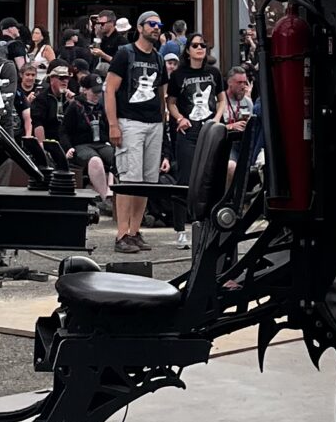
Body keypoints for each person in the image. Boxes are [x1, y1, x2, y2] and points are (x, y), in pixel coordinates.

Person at [105, 15, 168, 254]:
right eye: (151, 24)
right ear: (140, 27)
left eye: (159, 25)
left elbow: (162, 94)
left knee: (147, 181)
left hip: (154, 123)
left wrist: (163, 123)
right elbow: (110, 89)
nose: (156, 28)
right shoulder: (125, 54)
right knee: (129, 178)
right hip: (129, 121)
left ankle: (134, 231)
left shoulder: (159, 59)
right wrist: (113, 124)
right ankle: (121, 233)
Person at [30, 64, 112, 209]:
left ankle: (110, 195)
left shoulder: (75, 100)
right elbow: (39, 123)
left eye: (67, 78)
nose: (65, 81)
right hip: (57, 140)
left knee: (116, 156)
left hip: (89, 141)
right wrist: (42, 145)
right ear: (51, 79)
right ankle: (104, 198)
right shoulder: (43, 99)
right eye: (61, 78)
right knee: (94, 160)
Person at [168, 33, 223, 247]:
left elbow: (221, 99)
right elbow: (171, 102)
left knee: (211, 178)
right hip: (188, 131)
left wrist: (217, 120)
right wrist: (179, 118)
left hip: (210, 129)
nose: (200, 48)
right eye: (195, 45)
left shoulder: (214, 73)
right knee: (185, 179)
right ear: (188, 50)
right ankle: (181, 229)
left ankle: (209, 224)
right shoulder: (178, 75)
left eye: (203, 44)